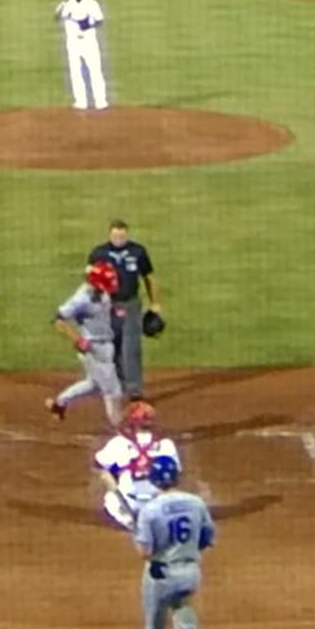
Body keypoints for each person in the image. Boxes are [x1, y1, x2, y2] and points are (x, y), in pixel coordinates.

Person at [132, 455, 215, 629]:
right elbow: (207, 537)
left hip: (161, 575)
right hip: (189, 573)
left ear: (153, 479)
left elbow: (144, 552)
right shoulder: (196, 503)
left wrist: (137, 535)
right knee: (187, 628)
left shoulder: (149, 510)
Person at [46, 261, 127, 426]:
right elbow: (58, 319)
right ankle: (119, 429)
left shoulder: (99, 289)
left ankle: (59, 404)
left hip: (105, 343)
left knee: (94, 384)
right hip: (94, 347)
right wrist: (77, 339)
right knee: (112, 390)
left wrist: (115, 311)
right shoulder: (81, 299)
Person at [88, 219, 160, 400]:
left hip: (131, 304)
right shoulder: (99, 253)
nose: (118, 238)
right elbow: (90, 280)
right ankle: (116, 384)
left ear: (127, 234)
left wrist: (155, 303)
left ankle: (134, 389)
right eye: (115, 235)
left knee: (131, 347)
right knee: (112, 346)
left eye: (122, 235)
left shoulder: (138, 251)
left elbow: (149, 278)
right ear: (109, 234)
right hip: (107, 306)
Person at [93, 400, 181, 531]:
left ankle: (128, 519)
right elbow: (176, 475)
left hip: (129, 503)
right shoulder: (166, 444)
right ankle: (161, 516)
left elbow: (98, 465)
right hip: (157, 501)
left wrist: (114, 476)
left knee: (110, 497)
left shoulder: (119, 443)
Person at [53, 0, 108, 110]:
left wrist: (89, 25)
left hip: (89, 41)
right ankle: (80, 101)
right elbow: (56, 17)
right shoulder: (67, 4)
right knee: (75, 71)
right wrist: (61, 5)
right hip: (73, 43)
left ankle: (101, 101)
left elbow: (100, 21)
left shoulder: (92, 4)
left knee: (95, 70)